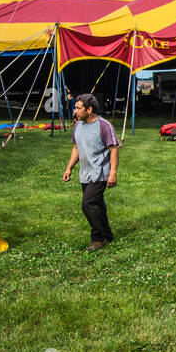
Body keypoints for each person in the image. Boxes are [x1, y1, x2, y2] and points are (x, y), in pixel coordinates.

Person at [62, 93, 119, 251]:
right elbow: (76, 148)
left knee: (88, 204)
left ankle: (98, 238)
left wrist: (112, 173)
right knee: (98, 205)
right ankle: (107, 235)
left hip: (100, 172)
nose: (75, 111)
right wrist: (69, 168)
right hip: (85, 173)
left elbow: (113, 149)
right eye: (75, 108)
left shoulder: (104, 126)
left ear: (89, 110)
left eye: (79, 108)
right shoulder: (78, 125)